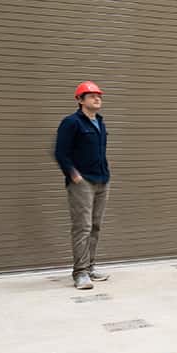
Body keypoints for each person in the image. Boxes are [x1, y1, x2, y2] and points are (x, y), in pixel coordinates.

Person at [54, 81, 112, 290]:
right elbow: (60, 152)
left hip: (101, 180)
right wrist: (73, 174)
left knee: (95, 226)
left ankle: (90, 267)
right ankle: (79, 273)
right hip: (82, 182)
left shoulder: (100, 123)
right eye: (91, 96)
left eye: (99, 96)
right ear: (80, 100)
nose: (97, 99)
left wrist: (106, 174)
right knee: (83, 227)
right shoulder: (71, 123)